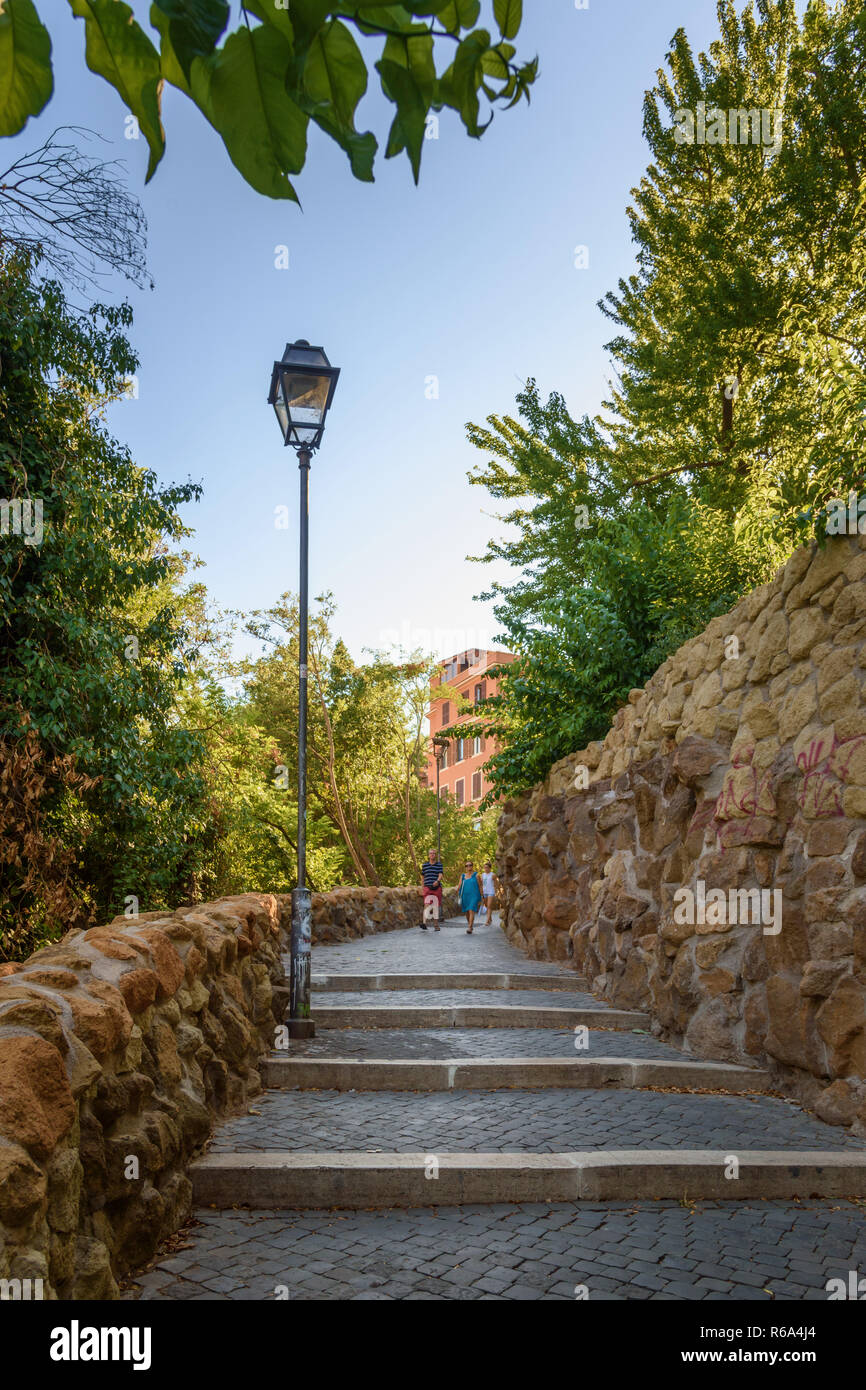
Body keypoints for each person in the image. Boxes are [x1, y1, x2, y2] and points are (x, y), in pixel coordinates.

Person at [420, 848, 444, 930]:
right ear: (428, 855)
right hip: (427, 888)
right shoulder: (424, 865)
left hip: (437, 888)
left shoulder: (439, 865)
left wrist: (437, 881)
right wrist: (422, 887)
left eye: (433, 853)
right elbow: (422, 877)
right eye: (430, 853)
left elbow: (440, 874)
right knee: (426, 905)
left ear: (435, 855)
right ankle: (424, 923)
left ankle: (436, 925)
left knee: (435, 906)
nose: (432, 855)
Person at [457, 859, 482, 934]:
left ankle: (470, 927)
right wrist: (457, 890)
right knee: (467, 912)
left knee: (471, 910)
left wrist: (482, 895)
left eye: (470, 865)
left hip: (474, 895)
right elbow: (459, 885)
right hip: (465, 896)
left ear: (472, 866)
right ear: (465, 867)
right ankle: (470, 925)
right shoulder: (463, 876)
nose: (468, 867)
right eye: (466, 866)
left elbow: (480, 885)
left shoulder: (477, 875)